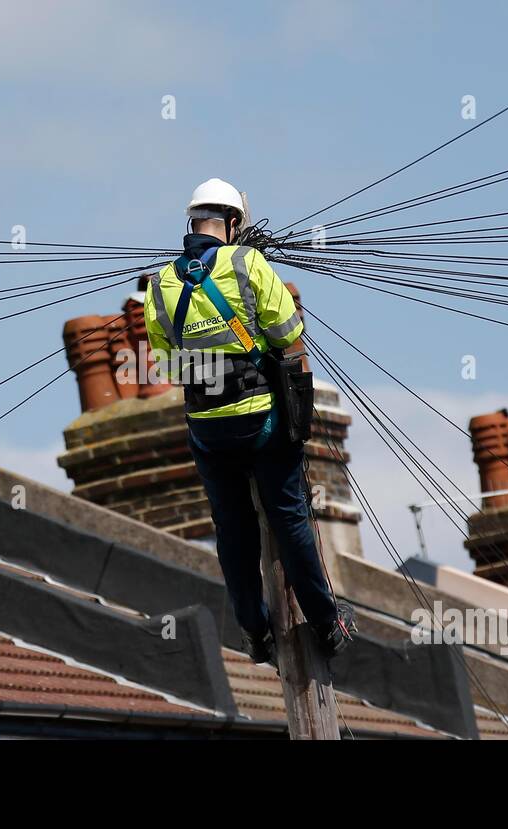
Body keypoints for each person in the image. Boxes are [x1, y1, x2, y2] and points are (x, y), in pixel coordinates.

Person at [144, 177, 354, 664]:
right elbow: (287, 333)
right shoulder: (247, 262)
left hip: (207, 427)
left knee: (232, 529)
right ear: (234, 223)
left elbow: (167, 366)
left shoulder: (161, 284)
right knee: (289, 518)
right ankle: (327, 621)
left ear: (192, 223)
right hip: (261, 420)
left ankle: (255, 631)